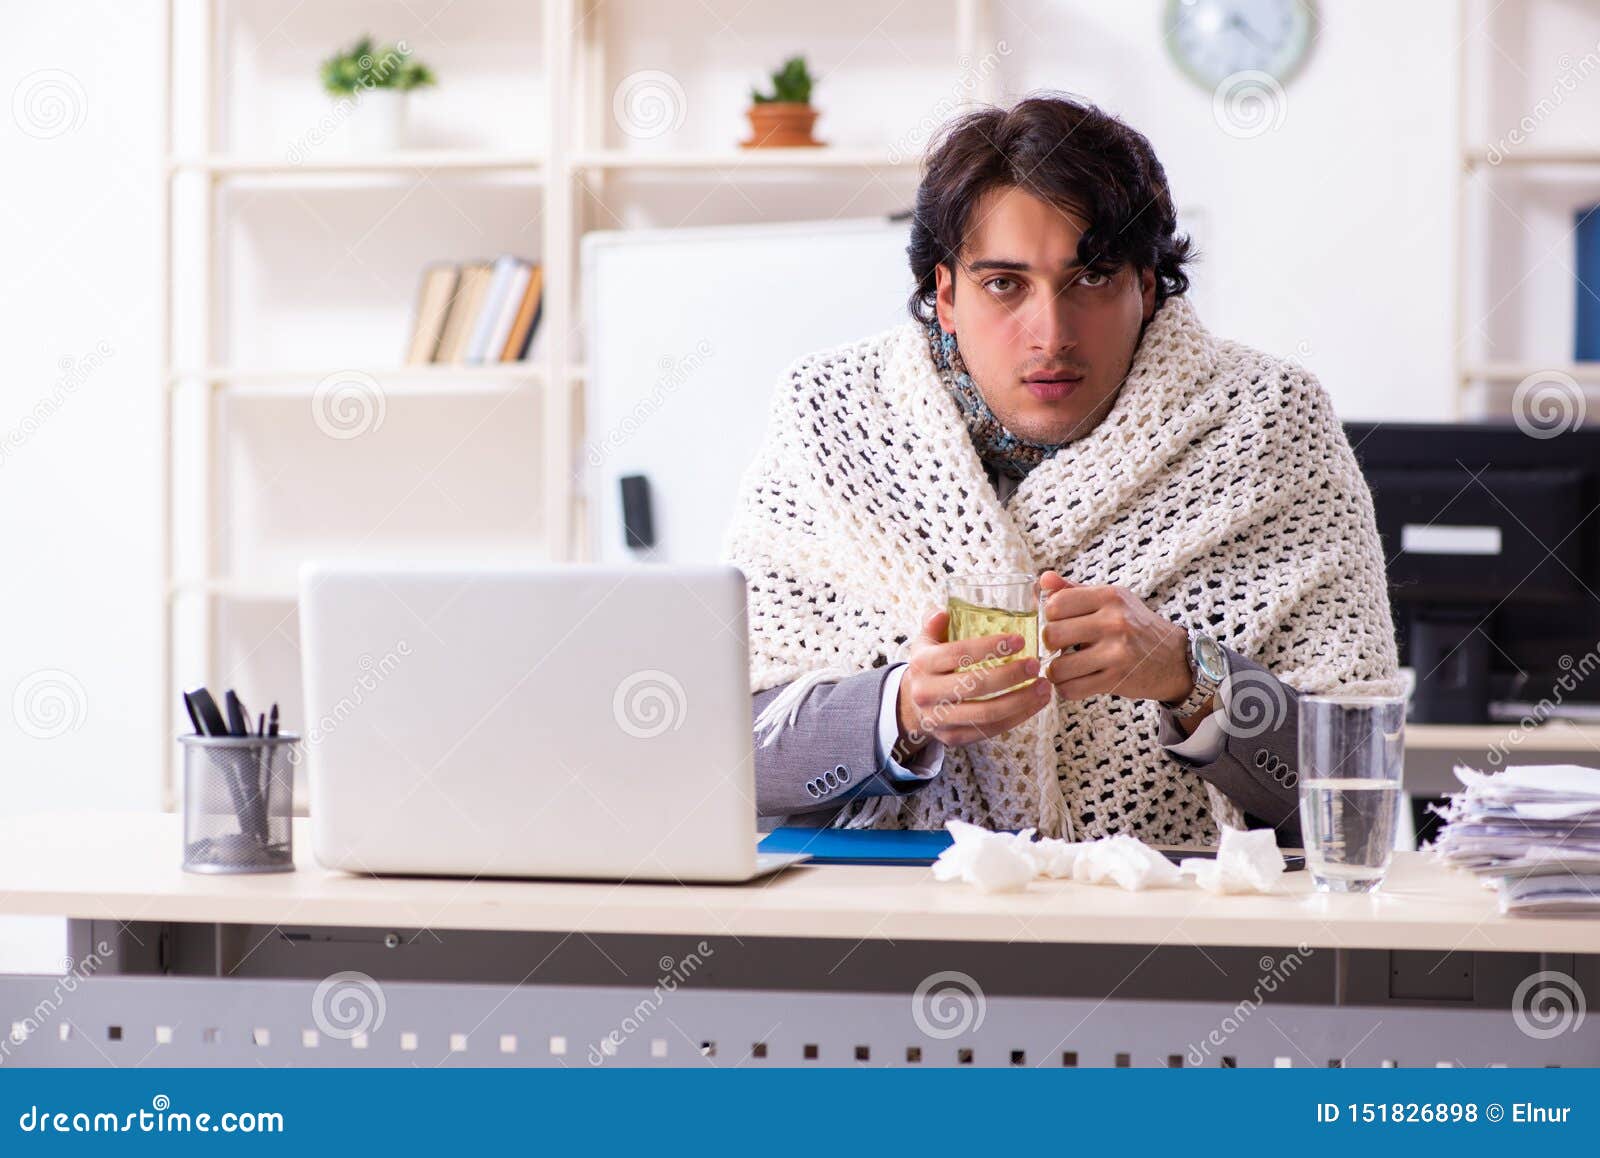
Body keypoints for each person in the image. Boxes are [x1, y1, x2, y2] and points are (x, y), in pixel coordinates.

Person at [721, 93, 1401, 847]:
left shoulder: (1268, 422)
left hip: (1176, 936)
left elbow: (1357, 782)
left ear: (1147, 285)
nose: (1050, 334)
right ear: (946, 295)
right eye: (1004, 284)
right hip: (881, 924)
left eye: (1092, 276)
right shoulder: (832, 419)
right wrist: (904, 710)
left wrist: (1190, 676)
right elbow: (724, 756)